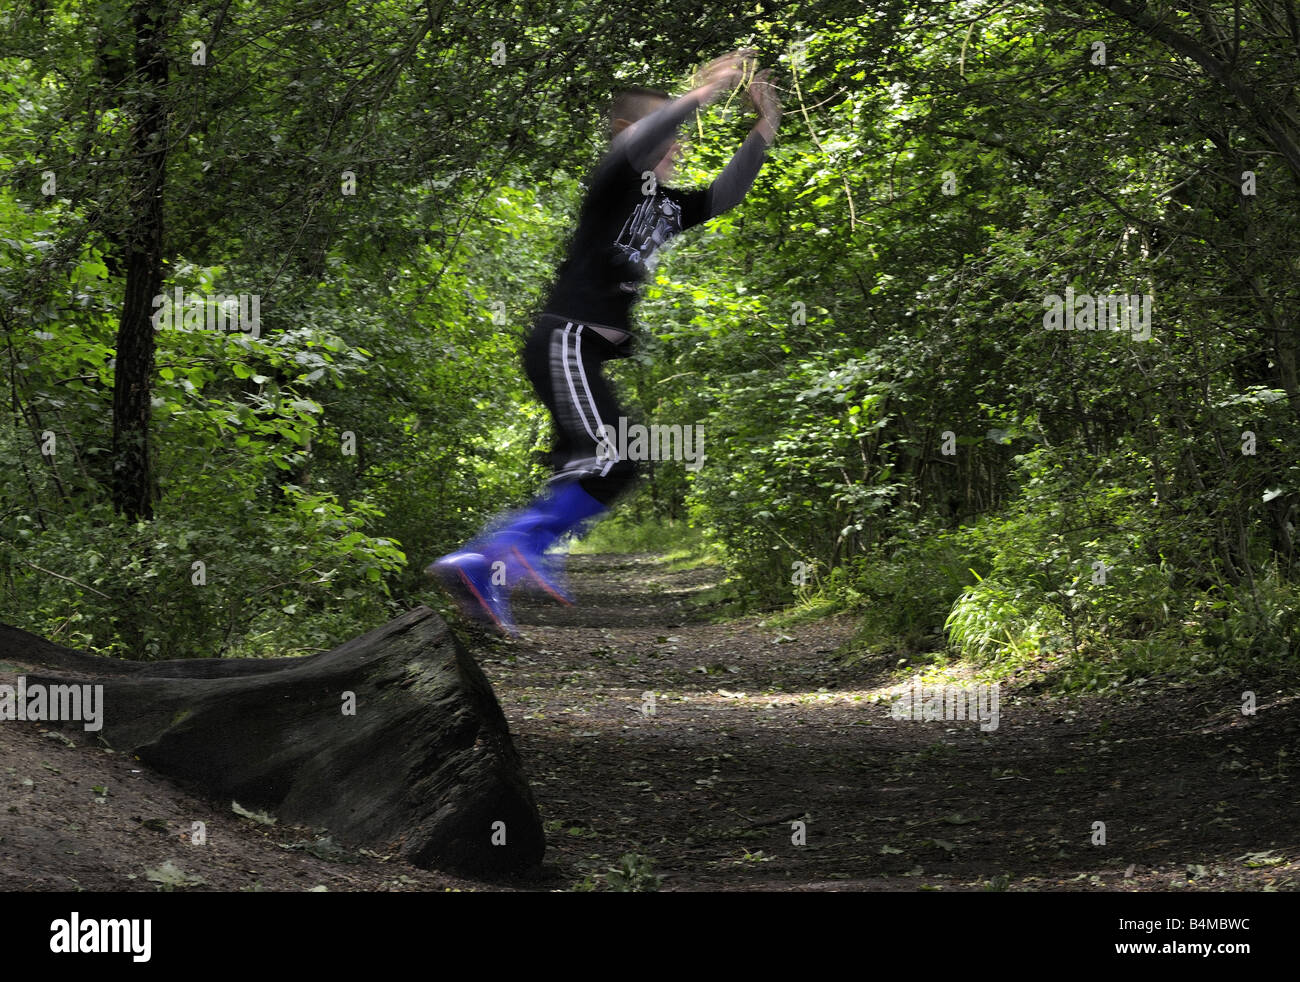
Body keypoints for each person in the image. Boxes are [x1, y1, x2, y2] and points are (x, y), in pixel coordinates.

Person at [428, 49, 781, 635]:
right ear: (632, 133)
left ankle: (501, 561)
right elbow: (636, 145)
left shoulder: (665, 204)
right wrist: (699, 96)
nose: (679, 145)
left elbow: (723, 196)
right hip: (566, 337)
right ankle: (493, 557)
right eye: (669, 133)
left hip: (579, 350)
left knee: (615, 465)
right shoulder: (617, 180)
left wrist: (763, 128)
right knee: (611, 456)